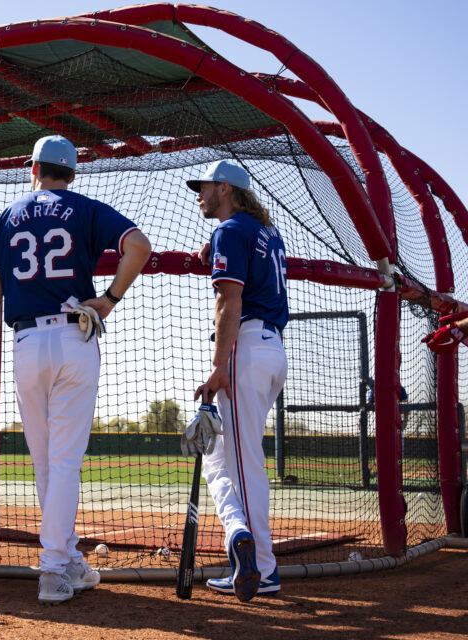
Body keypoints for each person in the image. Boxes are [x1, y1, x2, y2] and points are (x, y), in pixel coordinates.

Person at [0, 135, 153, 604]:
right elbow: (139, 246)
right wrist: (109, 299)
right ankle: (52, 570)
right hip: (75, 335)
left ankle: (67, 556)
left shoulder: (3, 218)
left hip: (26, 343)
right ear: (71, 173)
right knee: (65, 462)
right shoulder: (85, 208)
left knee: (45, 463)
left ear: (33, 169)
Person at [188, 160, 288, 602]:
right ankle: (238, 532)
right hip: (270, 348)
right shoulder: (265, 231)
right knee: (217, 455)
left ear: (225, 188)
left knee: (245, 465)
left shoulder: (231, 230)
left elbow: (229, 300)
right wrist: (214, 244)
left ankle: (262, 568)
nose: (200, 194)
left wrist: (219, 365)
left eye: (206, 187)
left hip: (244, 349)